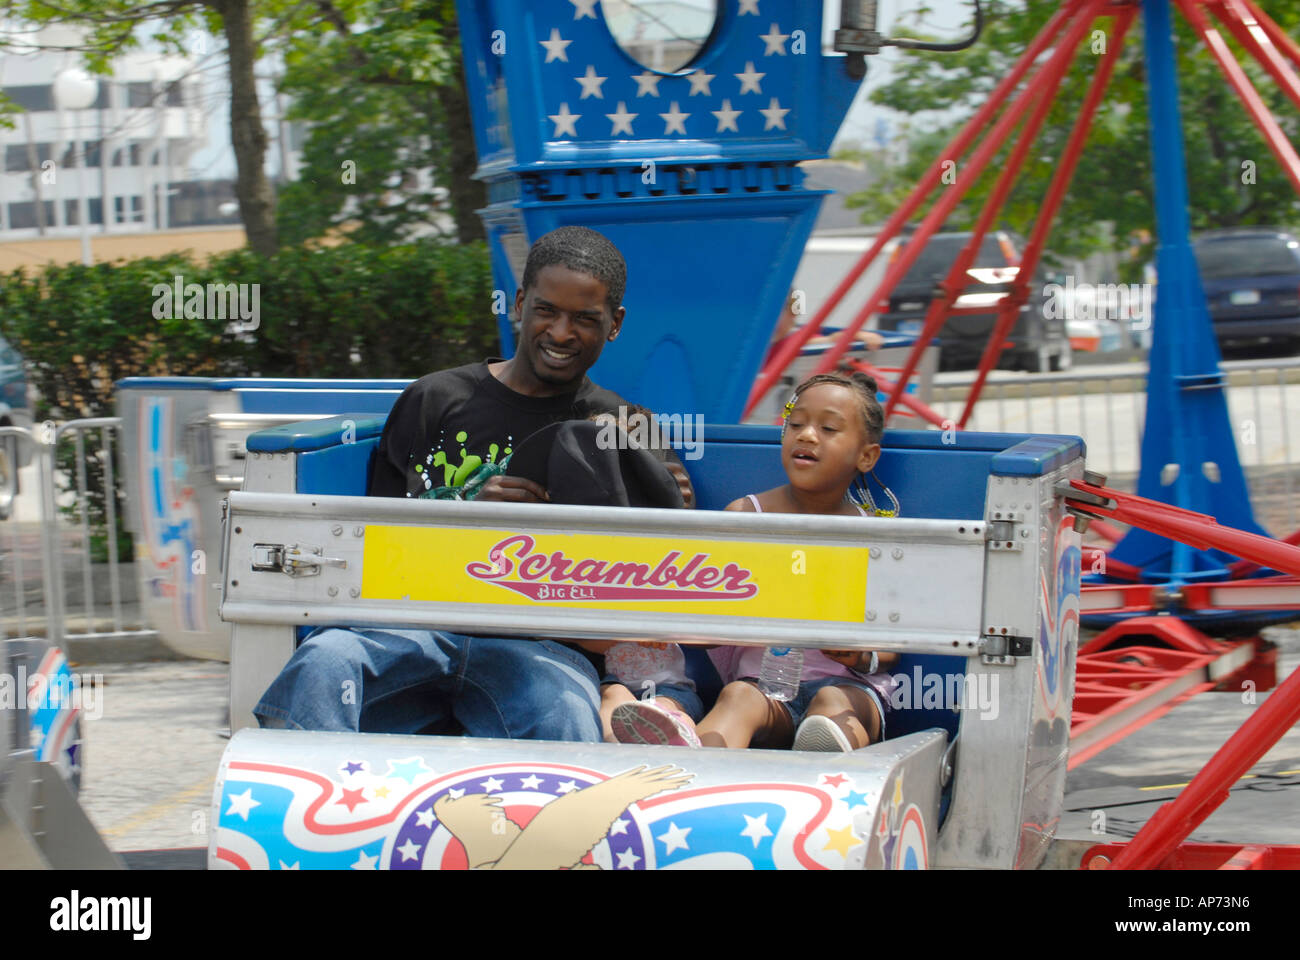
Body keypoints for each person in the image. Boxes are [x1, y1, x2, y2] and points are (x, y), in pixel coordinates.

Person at [253, 226, 692, 742]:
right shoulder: (434, 398)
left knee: (567, 717)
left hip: (540, 650)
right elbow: (374, 550)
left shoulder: (621, 424)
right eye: (547, 310)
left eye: (585, 319)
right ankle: (321, 817)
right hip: (412, 631)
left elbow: (660, 573)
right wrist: (468, 517)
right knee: (324, 663)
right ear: (520, 303)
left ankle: (554, 824)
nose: (561, 332)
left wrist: (677, 505)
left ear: (614, 324)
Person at [611, 372, 899, 752]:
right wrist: (678, 624)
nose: (807, 435)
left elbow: (893, 647)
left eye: (828, 428)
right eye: (795, 424)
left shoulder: (875, 536)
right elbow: (707, 618)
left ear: (866, 456)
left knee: (832, 705)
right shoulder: (746, 515)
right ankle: (689, 767)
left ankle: (825, 761)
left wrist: (861, 655)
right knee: (736, 697)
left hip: (850, 688)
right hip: (764, 689)